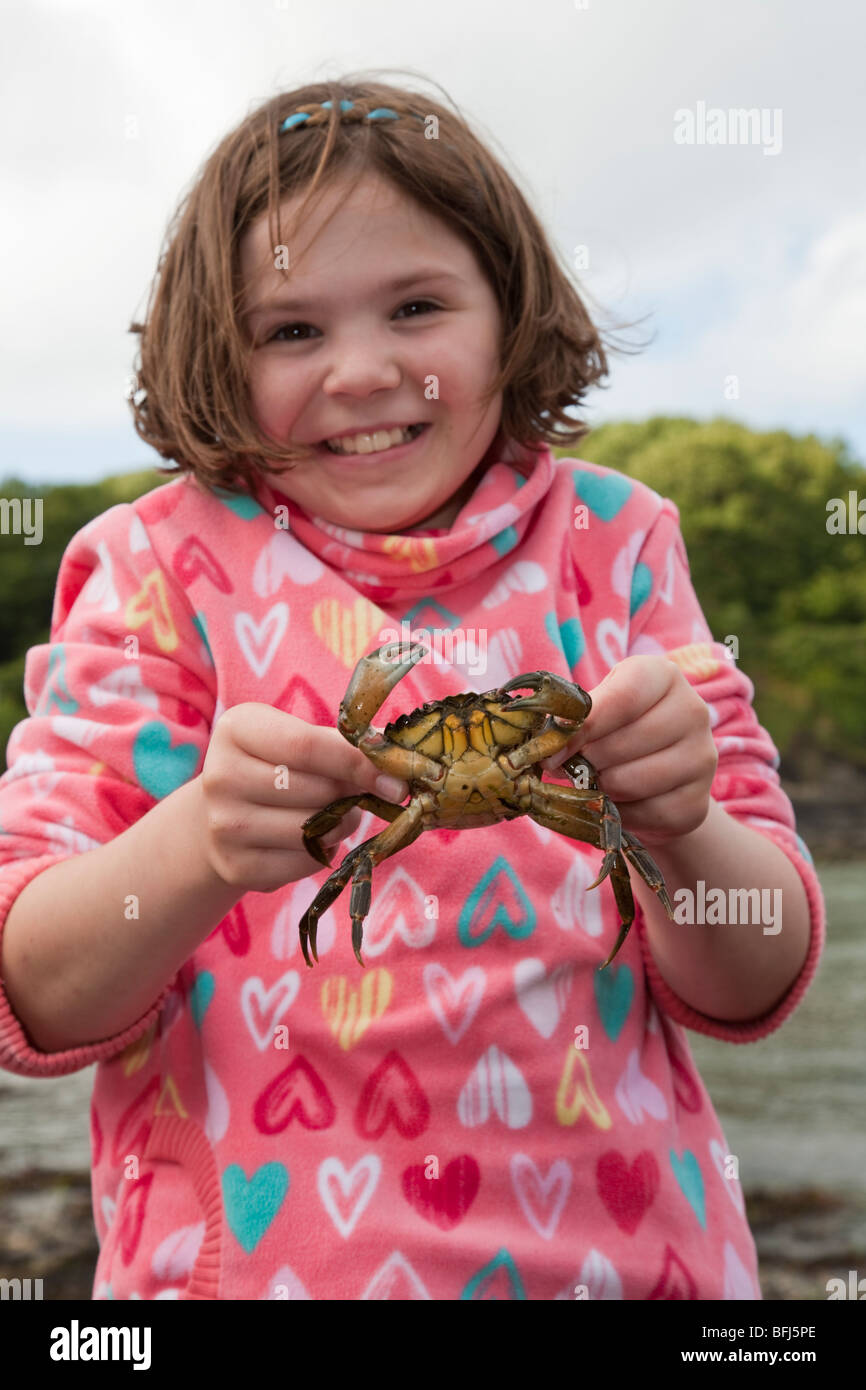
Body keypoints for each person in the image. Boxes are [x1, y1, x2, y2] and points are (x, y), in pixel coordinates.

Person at [0, 74, 825, 1301]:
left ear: (510, 312)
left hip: (638, 1271)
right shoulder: (151, 573)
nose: (364, 371)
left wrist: (681, 824)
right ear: (214, 357)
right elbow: (38, 995)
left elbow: (754, 971)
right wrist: (196, 850)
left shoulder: (618, 544)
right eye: (292, 330)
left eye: (416, 306)